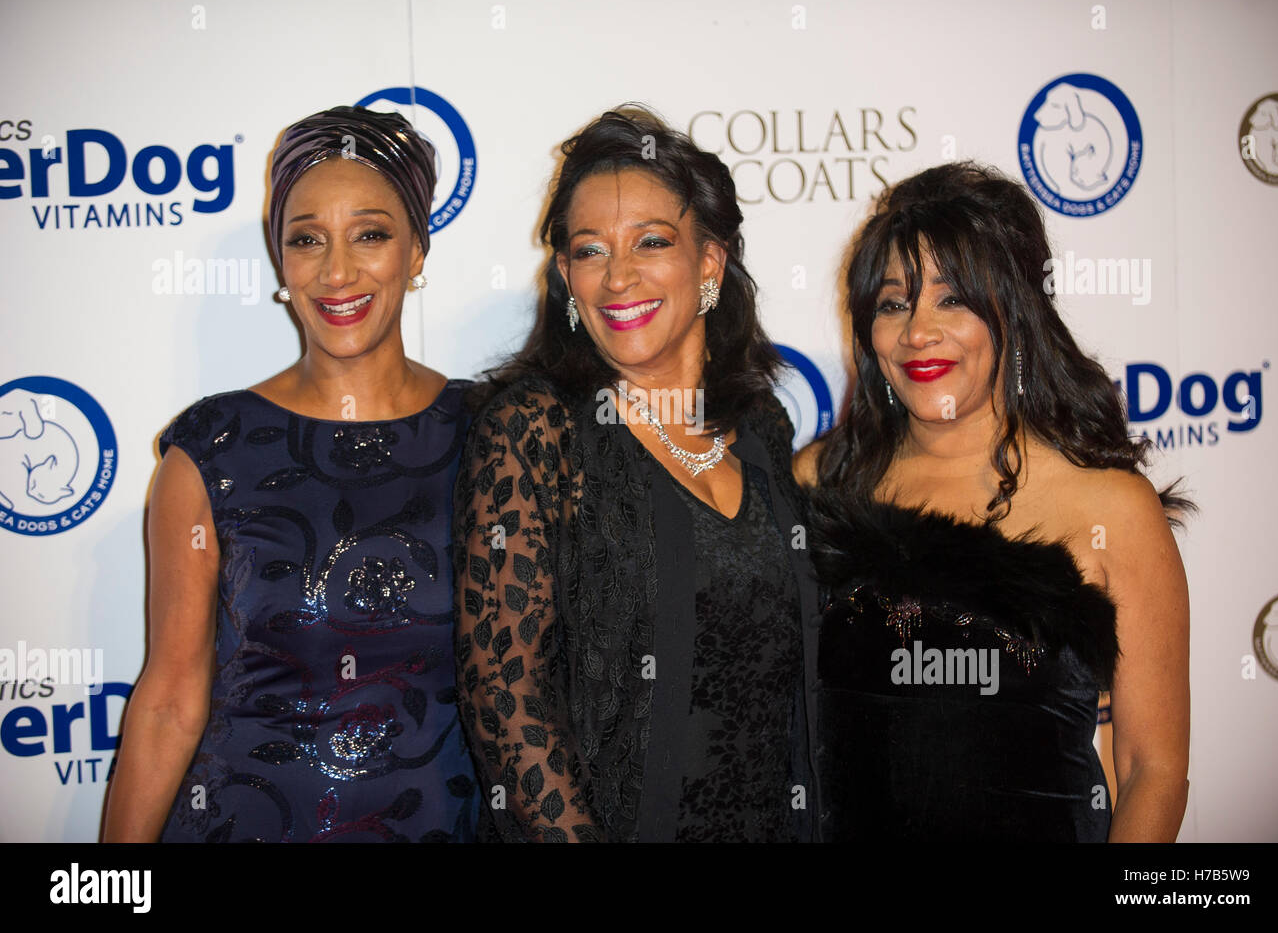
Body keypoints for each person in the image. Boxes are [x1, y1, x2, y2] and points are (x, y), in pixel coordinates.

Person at [103, 105, 479, 842]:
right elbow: (170, 700)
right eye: (306, 239)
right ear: (281, 260)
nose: (337, 271)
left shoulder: (493, 434)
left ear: (417, 251)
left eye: (370, 234)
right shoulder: (213, 449)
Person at [453, 106, 822, 842]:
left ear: (710, 263)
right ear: (565, 276)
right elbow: (505, 691)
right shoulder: (536, 431)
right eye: (590, 251)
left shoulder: (764, 432)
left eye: (651, 242)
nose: (619, 276)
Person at [795, 162, 1191, 842]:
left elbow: (1152, 767)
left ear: (1014, 307)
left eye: (952, 299)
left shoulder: (1112, 508)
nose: (918, 331)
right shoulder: (817, 482)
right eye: (893, 303)